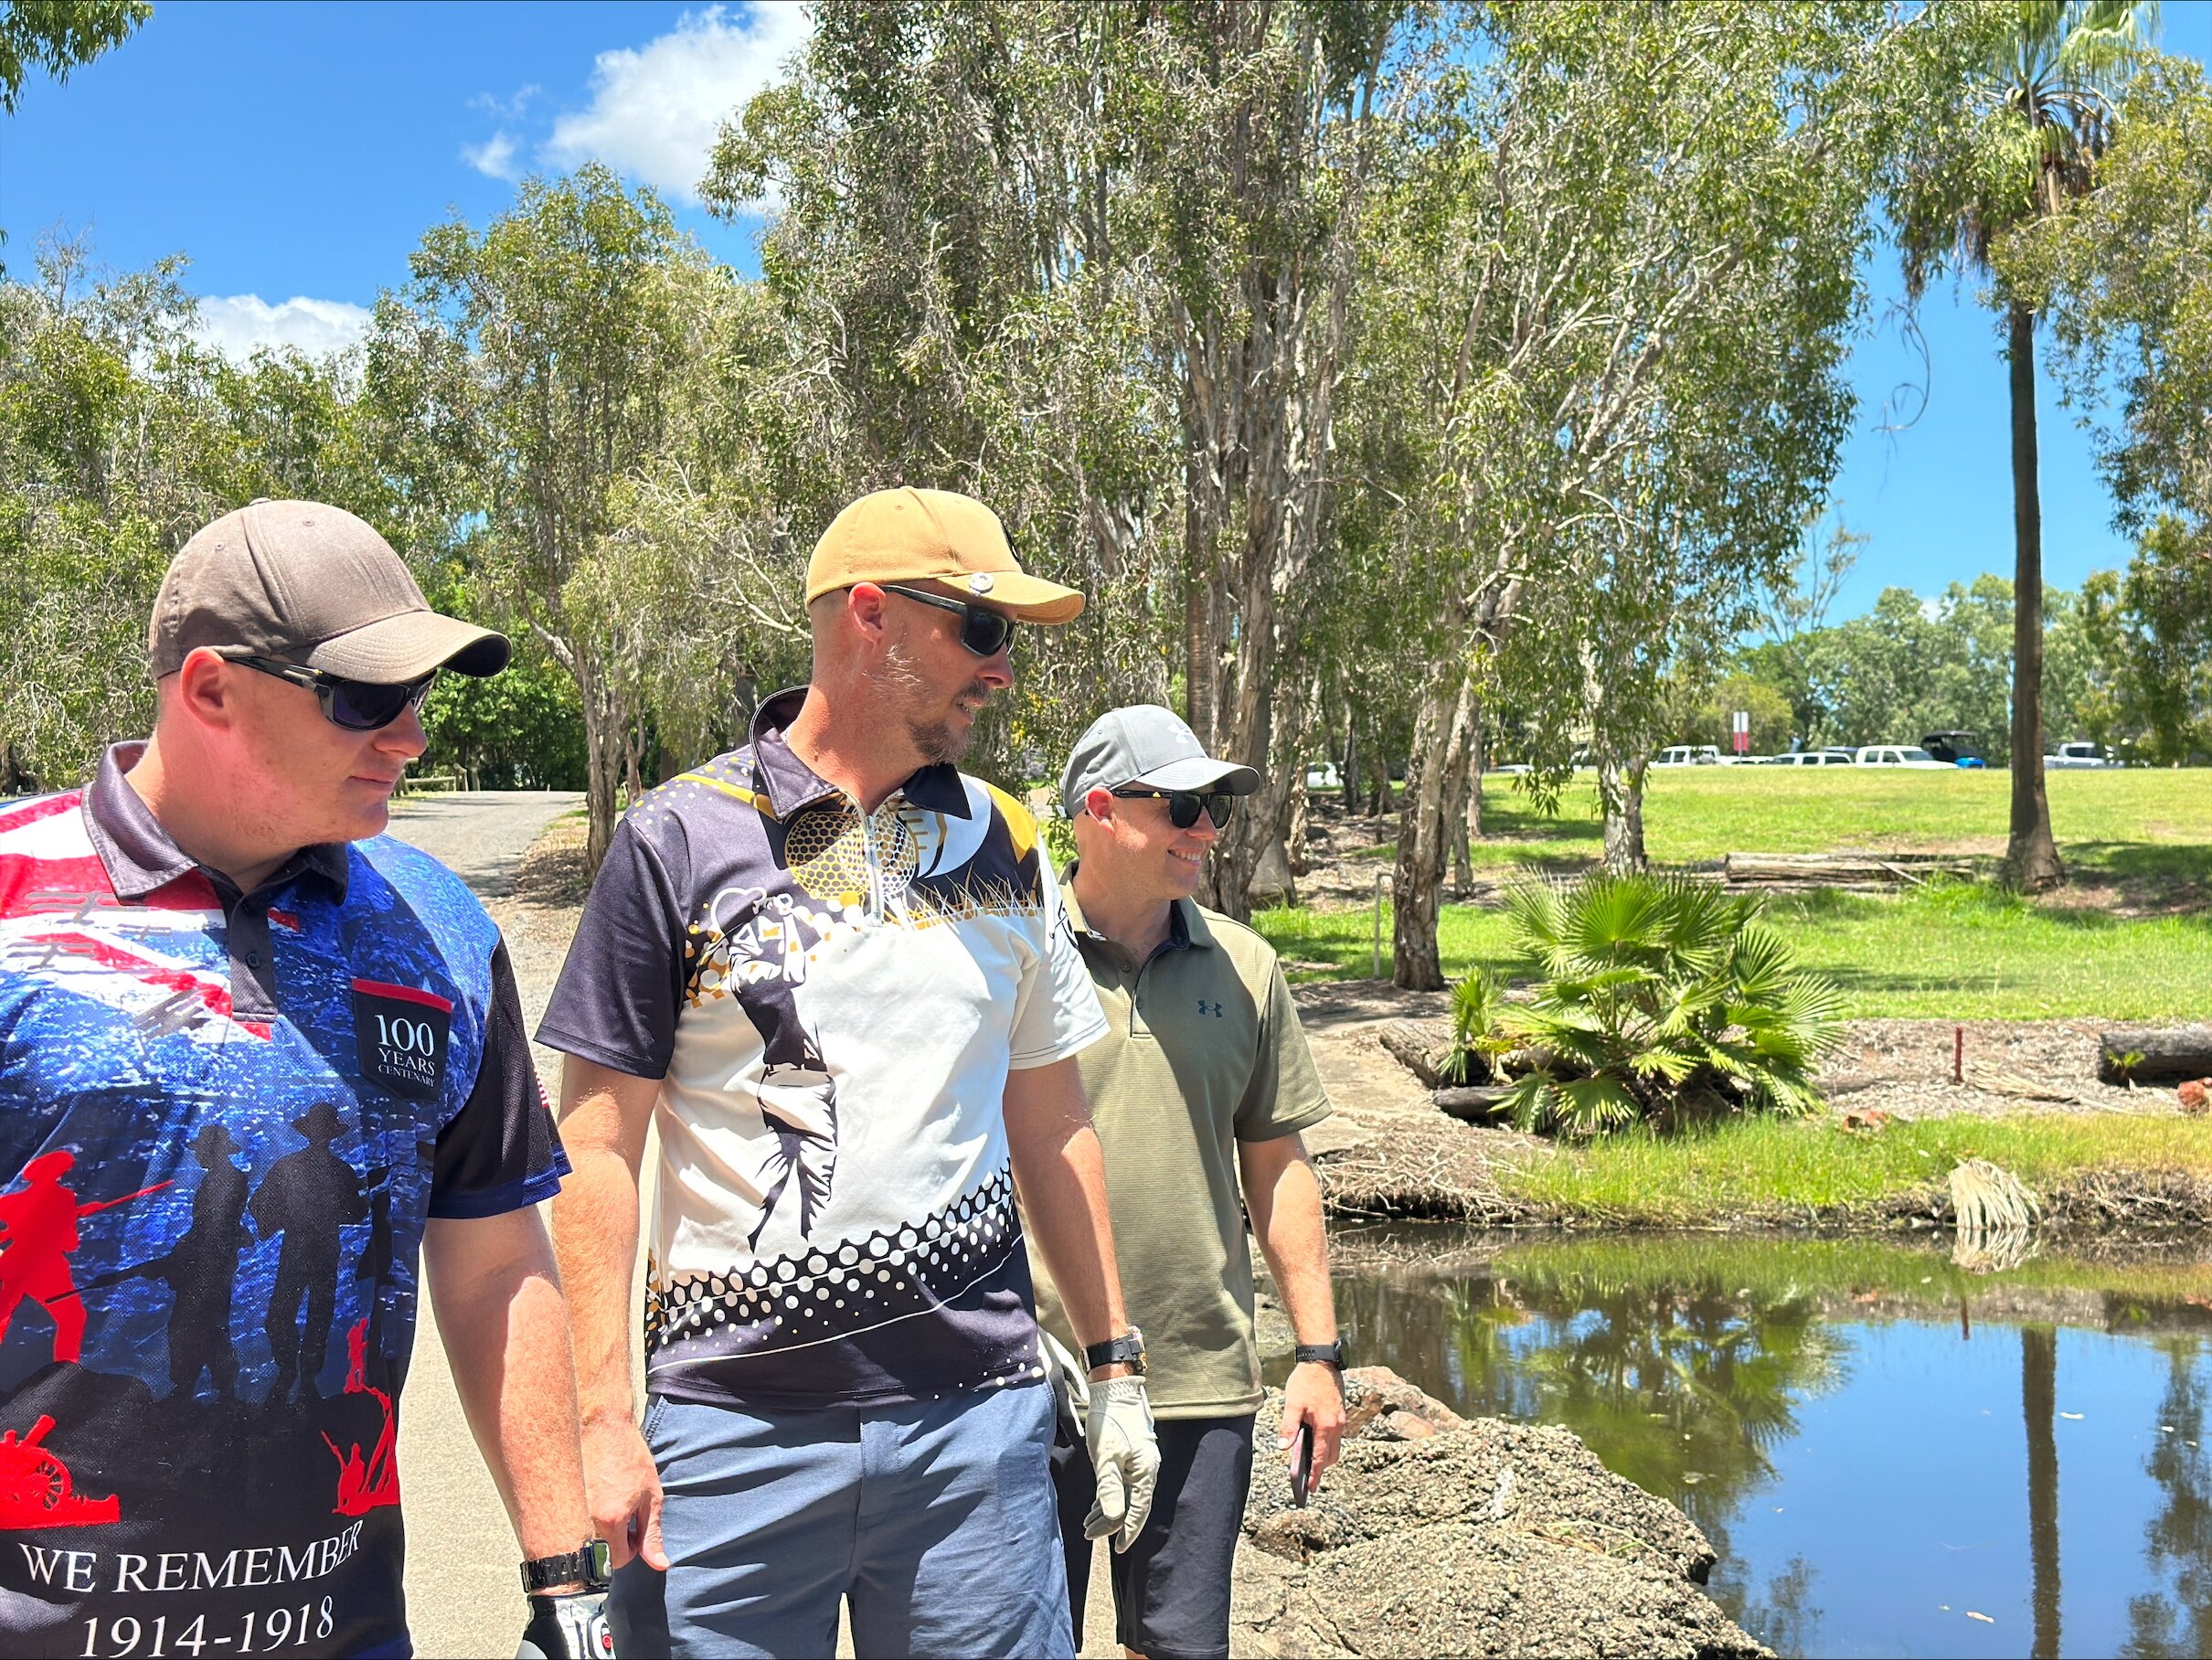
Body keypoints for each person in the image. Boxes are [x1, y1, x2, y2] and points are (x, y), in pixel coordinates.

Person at [542, 486, 1161, 1659]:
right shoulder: (679, 837)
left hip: (975, 1435)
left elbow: (1051, 1117)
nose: (1005, 673)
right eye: (983, 633)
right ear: (869, 617)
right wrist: (600, 1416)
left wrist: (1114, 1359)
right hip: (728, 1443)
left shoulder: (1010, 840)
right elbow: (598, 1147)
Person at [0, 499, 609, 1658]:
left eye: (420, 700)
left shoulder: (435, 928)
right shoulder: (13, 901)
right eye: (365, 699)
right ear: (211, 690)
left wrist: (566, 1577)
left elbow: (492, 1263)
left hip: (338, 1628)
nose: (411, 738)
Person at [1037, 705, 1347, 1660]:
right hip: (1031, 1378)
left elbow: (1277, 1167)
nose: (1207, 828)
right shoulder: (1011, 959)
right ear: (1097, 809)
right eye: (1180, 805)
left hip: (1201, 1380)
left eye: (1212, 805)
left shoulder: (1246, 966)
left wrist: (1317, 1352)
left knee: (1173, 1649)